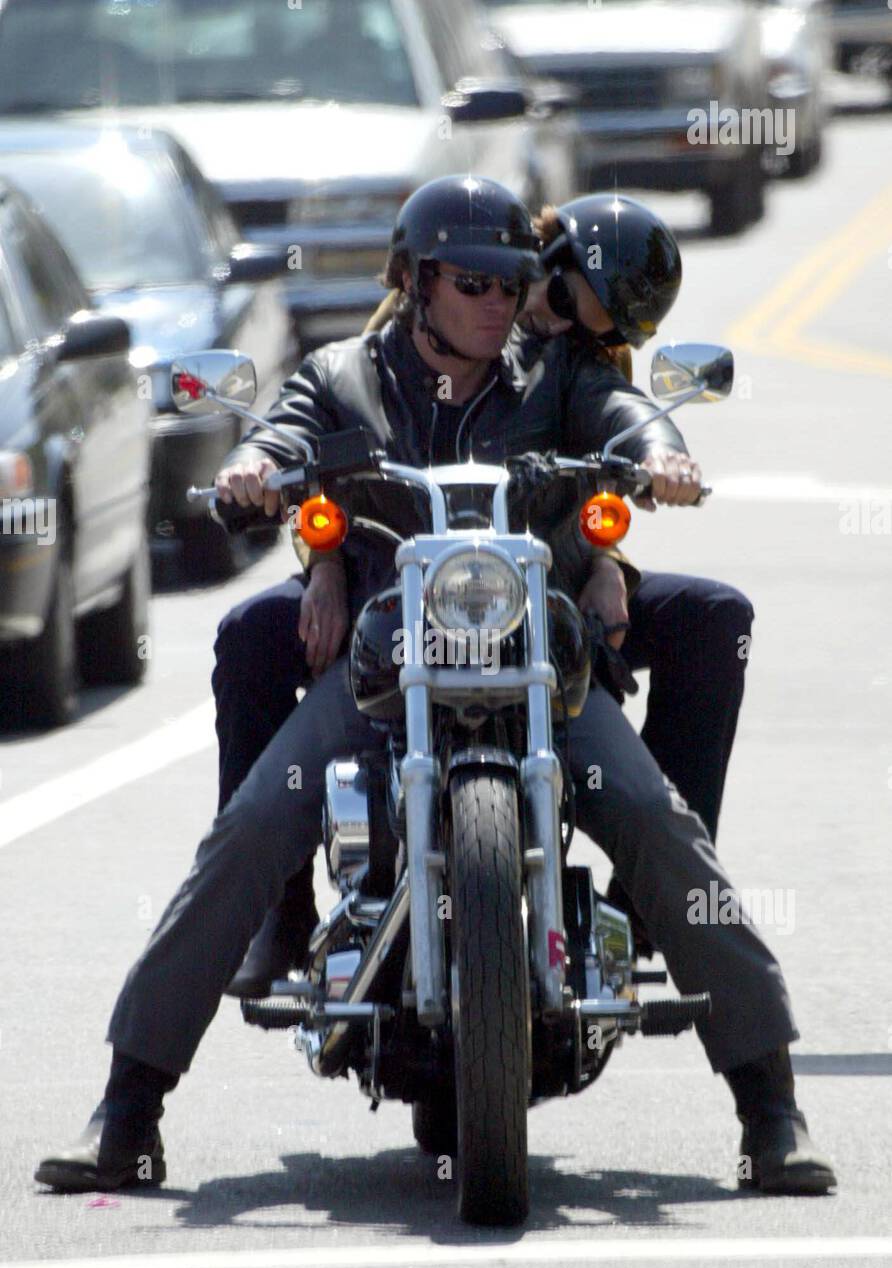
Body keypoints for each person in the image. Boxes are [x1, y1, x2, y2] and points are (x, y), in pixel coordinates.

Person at [34, 176, 834, 1198]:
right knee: (246, 830)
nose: (497, 303)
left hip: (541, 666)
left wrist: (661, 456)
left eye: (509, 282)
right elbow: (279, 434)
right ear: (413, 281)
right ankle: (127, 1112)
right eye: (472, 283)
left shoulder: (551, 372)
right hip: (386, 667)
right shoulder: (341, 375)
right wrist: (253, 470)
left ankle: (769, 1107)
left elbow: (628, 413)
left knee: (653, 814)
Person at [222, 193, 752, 994]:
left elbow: (614, 454)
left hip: (550, 593)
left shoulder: (581, 364)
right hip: (401, 585)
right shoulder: (398, 341)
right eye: (563, 298)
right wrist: (324, 570)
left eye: (607, 330)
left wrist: (610, 558)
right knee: (252, 635)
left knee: (715, 621)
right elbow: (334, 461)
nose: (561, 322)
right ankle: (279, 906)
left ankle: (652, 901)